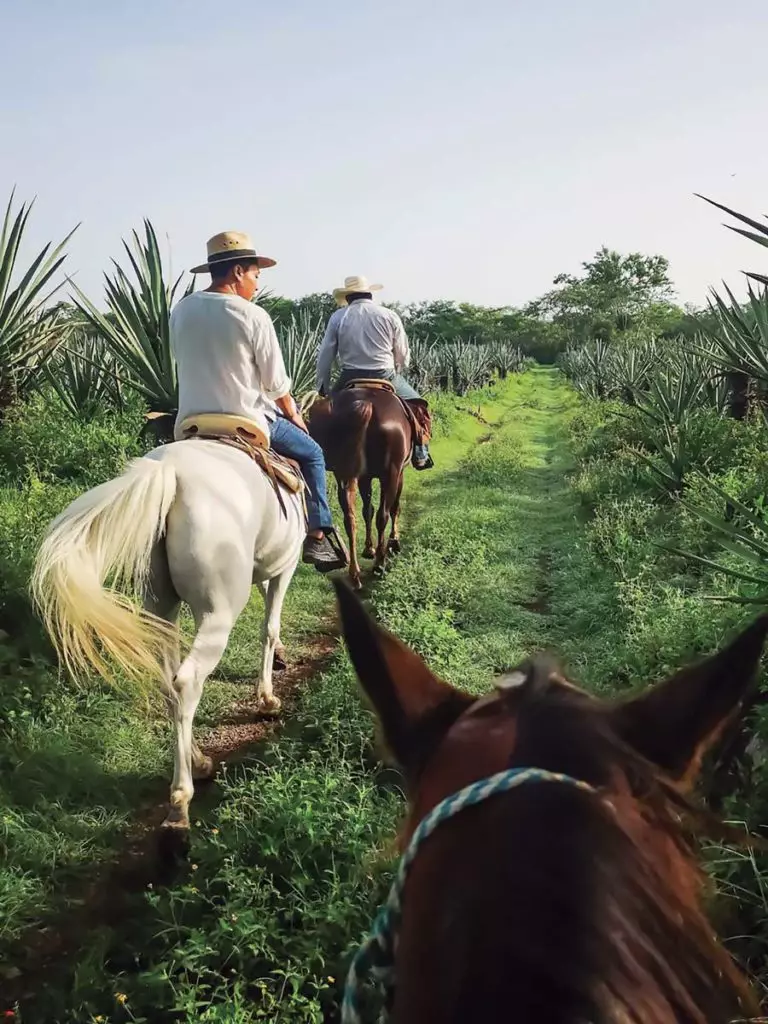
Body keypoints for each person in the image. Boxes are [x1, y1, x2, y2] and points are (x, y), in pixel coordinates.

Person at [170, 231, 346, 572]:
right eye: (254, 275)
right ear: (238, 272)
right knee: (312, 454)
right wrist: (294, 415)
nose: (255, 283)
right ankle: (319, 535)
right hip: (248, 419)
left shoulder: (182, 310)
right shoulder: (252, 315)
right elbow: (276, 383)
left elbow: (182, 358)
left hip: (191, 422)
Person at [315, 275, 434, 469]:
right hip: (385, 375)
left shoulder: (339, 316)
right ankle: (421, 451)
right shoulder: (389, 315)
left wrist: (322, 387)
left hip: (350, 376)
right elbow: (403, 353)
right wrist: (398, 368)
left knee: (324, 415)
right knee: (419, 405)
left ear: (348, 297)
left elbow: (326, 354)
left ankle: (324, 453)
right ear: (370, 294)